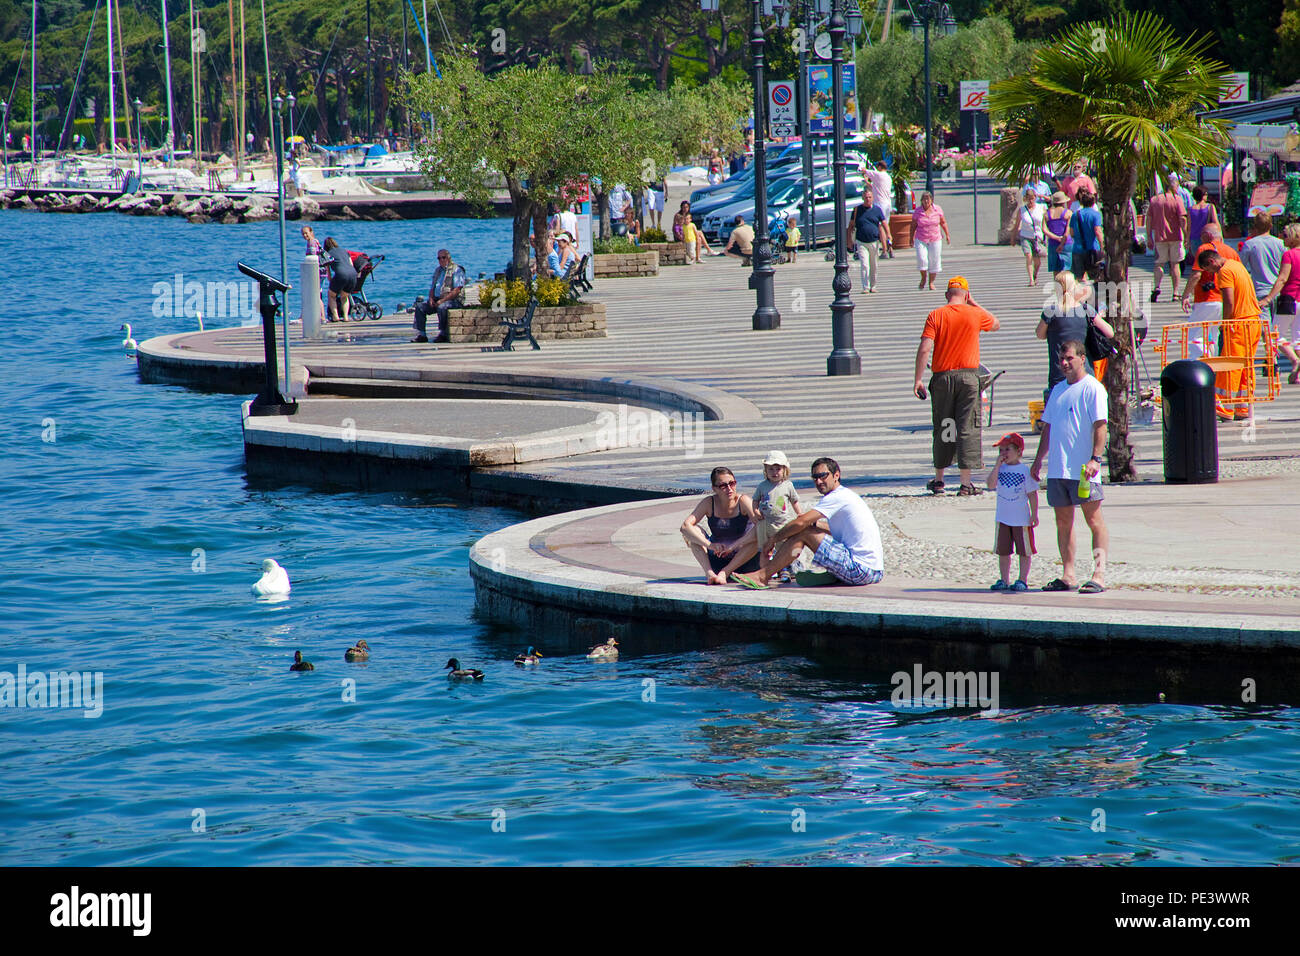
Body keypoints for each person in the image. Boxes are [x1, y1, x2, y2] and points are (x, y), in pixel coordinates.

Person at [730, 458, 884, 589]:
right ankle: (822, 572)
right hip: (875, 571)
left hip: (860, 570)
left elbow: (801, 522)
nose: (818, 481)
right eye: (815, 477)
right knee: (806, 528)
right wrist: (814, 526)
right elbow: (837, 529)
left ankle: (763, 575)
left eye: (823, 476)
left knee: (802, 530)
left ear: (836, 475)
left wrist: (773, 539)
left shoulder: (836, 497)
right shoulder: (846, 495)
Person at [1030, 339, 1108, 593]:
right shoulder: (1057, 390)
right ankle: (1068, 573)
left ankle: (1099, 574)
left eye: (1069, 358)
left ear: (1082, 358)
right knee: (1063, 521)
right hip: (1058, 469)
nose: (1064, 363)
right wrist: (1039, 459)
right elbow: (1048, 428)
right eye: (1061, 359)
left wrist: (1095, 459)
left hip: (1084, 469)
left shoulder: (1093, 388)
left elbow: (1100, 426)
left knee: (1093, 519)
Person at [913, 276, 1001, 496]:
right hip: (969, 379)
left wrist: (918, 379)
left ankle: (939, 480)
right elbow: (996, 323)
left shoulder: (936, 315)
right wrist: (974, 304)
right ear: (966, 295)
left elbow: (925, 349)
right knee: (967, 427)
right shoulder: (975, 314)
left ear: (946, 295)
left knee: (944, 426)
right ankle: (965, 483)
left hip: (942, 378)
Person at [1197, 246, 1262, 423]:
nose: (1210, 274)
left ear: (1211, 262)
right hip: (1254, 321)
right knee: (1245, 368)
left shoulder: (1224, 271)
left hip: (1239, 323)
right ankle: (1242, 407)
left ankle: (1223, 407)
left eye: (1208, 270)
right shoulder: (1236, 265)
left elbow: (1229, 300)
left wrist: (1226, 324)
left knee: (1229, 366)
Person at [1240, 212, 1299, 381]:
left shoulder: (1250, 245)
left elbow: (1242, 267)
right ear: (1271, 226)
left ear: (1254, 227)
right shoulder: (1281, 244)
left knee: (1267, 331)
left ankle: (1272, 362)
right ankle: (1279, 361)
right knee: (1281, 330)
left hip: (1260, 291)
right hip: (1282, 292)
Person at [1037, 272, 1115, 397]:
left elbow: (1040, 334)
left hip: (1060, 373)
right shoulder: (1086, 310)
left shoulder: (1050, 312)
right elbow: (1110, 332)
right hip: (1084, 372)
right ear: (1074, 287)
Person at [680, 467, 760, 585]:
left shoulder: (743, 501)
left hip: (744, 558)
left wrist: (734, 545)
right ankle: (710, 573)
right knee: (692, 533)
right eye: (723, 486)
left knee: (758, 535)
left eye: (732, 483)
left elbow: (761, 527)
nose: (729, 489)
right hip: (718, 556)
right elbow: (685, 527)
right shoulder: (709, 503)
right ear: (714, 488)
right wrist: (710, 545)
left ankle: (725, 573)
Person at [985, 432, 1039, 592]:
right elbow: (990, 485)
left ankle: (1022, 579)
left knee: (1024, 551)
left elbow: (1032, 494)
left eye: (1007, 449)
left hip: (1021, 519)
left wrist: (1034, 514)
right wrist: (996, 466)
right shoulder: (1000, 469)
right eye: (1001, 450)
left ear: (1019, 452)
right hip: (1003, 518)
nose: (1003, 454)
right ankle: (1004, 579)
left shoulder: (1024, 471)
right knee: (1003, 551)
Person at [1179, 223, 1240, 358]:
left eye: (1201, 236)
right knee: (1213, 336)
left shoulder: (1204, 249)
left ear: (1208, 235)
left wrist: (1185, 295)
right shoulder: (1231, 251)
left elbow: (1196, 274)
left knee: (1195, 336)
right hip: (1225, 300)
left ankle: (1199, 364)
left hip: (1207, 298)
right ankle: (1213, 365)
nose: (1200, 239)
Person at [750, 450, 811, 580]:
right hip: (765, 523)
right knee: (765, 549)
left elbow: (794, 501)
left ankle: (785, 569)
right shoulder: (762, 486)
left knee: (783, 547)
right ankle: (765, 571)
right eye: (771, 469)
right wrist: (755, 511)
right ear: (765, 470)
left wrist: (799, 513)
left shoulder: (788, 485)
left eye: (778, 469)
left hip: (782, 523)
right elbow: (755, 500)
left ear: (785, 470)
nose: (775, 472)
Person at [1260, 222, 1300, 384]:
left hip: (1288, 298)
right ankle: (1297, 375)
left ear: (1293, 237)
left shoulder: (1289, 255)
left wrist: (1268, 298)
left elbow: (1282, 278)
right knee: (1297, 337)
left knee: (1274, 336)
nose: (1282, 238)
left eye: (1285, 235)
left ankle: (1294, 360)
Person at [1146, 177, 1187, 302]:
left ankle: (1157, 286)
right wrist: (1186, 234)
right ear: (1173, 186)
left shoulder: (1155, 200)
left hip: (1160, 237)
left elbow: (1148, 219)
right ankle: (1175, 292)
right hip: (1175, 237)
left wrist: (1149, 237)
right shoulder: (1177, 199)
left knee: (1159, 263)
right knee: (1175, 264)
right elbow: (1183, 218)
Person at [411, 248, 466, 344]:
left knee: (442, 307)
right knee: (420, 307)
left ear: (448, 258)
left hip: (453, 300)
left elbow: (456, 291)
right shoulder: (438, 271)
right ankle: (422, 335)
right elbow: (432, 287)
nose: (441, 260)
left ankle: (443, 334)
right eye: (439, 258)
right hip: (438, 298)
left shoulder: (457, 270)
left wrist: (443, 300)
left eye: (443, 257)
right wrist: (431, 299)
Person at [847, 186, 891, 293]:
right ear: (863, 198)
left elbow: (884, 224)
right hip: (861, 241)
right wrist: (849, 241)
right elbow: (851, 226)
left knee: (874, 265)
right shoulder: (857, 210)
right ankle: (865, 287)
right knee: (865, 264)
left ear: (873, 198)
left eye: (870, 197)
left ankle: (873, 285)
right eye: (866, 197)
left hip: (874, 241)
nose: (868, 199)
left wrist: (889, 236)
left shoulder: (877, 210)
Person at [912, 191, 950, 290]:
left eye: (928, 199)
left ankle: (931, 282)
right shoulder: (918, 211)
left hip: (935, 237)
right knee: (922, 259)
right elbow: (913, 226)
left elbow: (943, 222)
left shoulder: (937, 209)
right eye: (924, 199)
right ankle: (923, 278)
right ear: (921, 201)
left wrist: (947, 235)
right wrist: (910, 238)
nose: (926, 201)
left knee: (934, 259)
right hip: (921, 237)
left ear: (931, 200)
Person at [1066, 189, 1103, 281]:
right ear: (1093, 203)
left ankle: (1078, 294)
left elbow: (1071, 232)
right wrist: (1102, 246)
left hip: (1078, 249)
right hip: (1093, 249)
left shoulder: (1075, 215)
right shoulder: (1096, 214)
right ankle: (1096, 294)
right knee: (1096, 277)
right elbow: (1097, 231)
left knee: (1077, 278)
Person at [321, 236, 357, 322]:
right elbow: (351, 264)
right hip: (353, 274)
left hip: (341, 274)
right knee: (344, 296)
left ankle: (335, 317)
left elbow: (328, 270)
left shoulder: (327, 254)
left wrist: (331, 281)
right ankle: (345, 317)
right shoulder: (344, 251)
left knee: (331, 295)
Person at [1018, 188, 1047, 286]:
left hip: (1037, 237)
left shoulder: (1041, 208)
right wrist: (1013, 236)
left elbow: (1045, 222)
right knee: (1028, 256)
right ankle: (1031, 279)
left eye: (1032, 198)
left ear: (1035, 198)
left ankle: (1035, 275)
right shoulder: (1022, 210)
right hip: (1025, 235)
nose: (1031, 201)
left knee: (1037, 261)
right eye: (1029, 199)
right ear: (1025, 199)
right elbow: (1017, 224)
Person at [868, 160, 895, 258]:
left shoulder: (878, 175)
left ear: (879, 167)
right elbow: (877, 188)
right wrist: (868, 183)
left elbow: (864, 170)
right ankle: (890, 248)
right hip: (887, 204)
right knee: (886, 226)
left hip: (880, 204)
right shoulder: (888, 177)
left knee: (881, 227)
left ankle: (884, 250)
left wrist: (864, 173)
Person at [1044, 191, 1073, 275]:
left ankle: (1057, 287)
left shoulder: (1047, 214)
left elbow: (1044, 230)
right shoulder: (1068, 213)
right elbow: (1067, 232)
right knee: (1067, 269)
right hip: (1066, 243)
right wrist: (1061, 243)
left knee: (1055, 270)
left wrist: (1056, 238)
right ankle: (1066, 287)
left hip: (1053, 244)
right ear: (1064, 202)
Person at [301, 225, 328, 316]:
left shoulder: (312, 243)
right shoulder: (315, 241)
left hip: (317, 271)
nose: (305, 235)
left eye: (306, 233)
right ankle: (312, 315)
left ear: (311, 232)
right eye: (303, 234)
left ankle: (323, 316)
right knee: (316, 293)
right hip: (322, 271)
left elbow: (313, 258)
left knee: (314, 293)